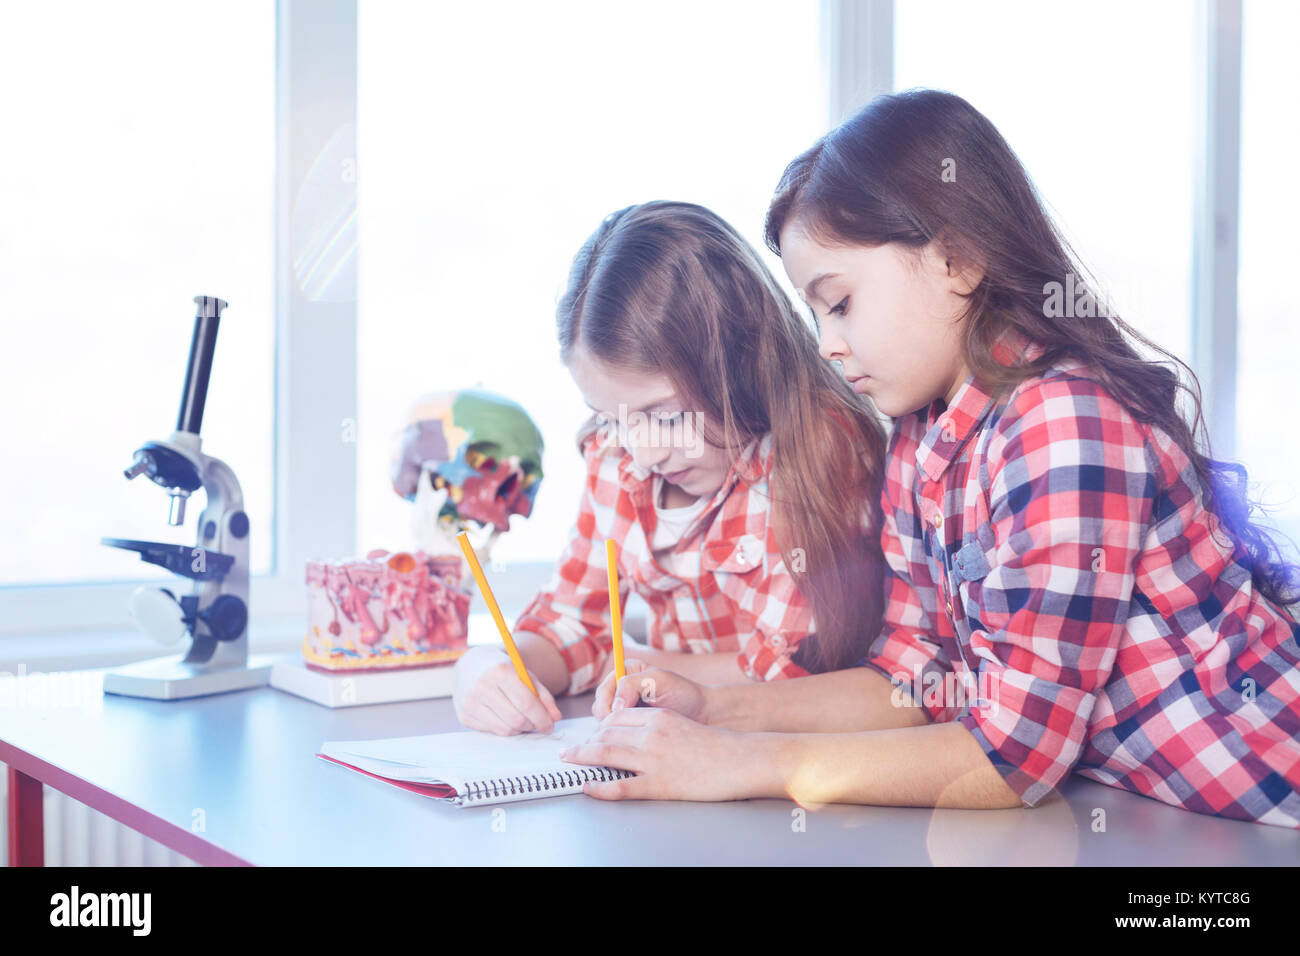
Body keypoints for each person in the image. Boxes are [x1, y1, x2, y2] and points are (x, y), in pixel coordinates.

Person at [564, 91, 1300, 828]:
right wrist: (716, 708)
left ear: (958, 259)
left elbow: (1013, 758)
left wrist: (741, 761)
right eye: (814, 312)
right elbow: (913, 680)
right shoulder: (921, 436)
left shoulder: (1062, 423)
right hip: (1173, 814)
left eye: (840, 302)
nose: (825, 343)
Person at [452, 201, 887, 737]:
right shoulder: (615, 455)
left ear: (741, 362)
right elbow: (570, 624)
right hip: (674, 766)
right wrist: (486, 668)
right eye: (611, 417)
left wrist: (634, 664)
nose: (643, 451)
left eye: (667, 415)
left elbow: (794, 667)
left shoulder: (818, 452)